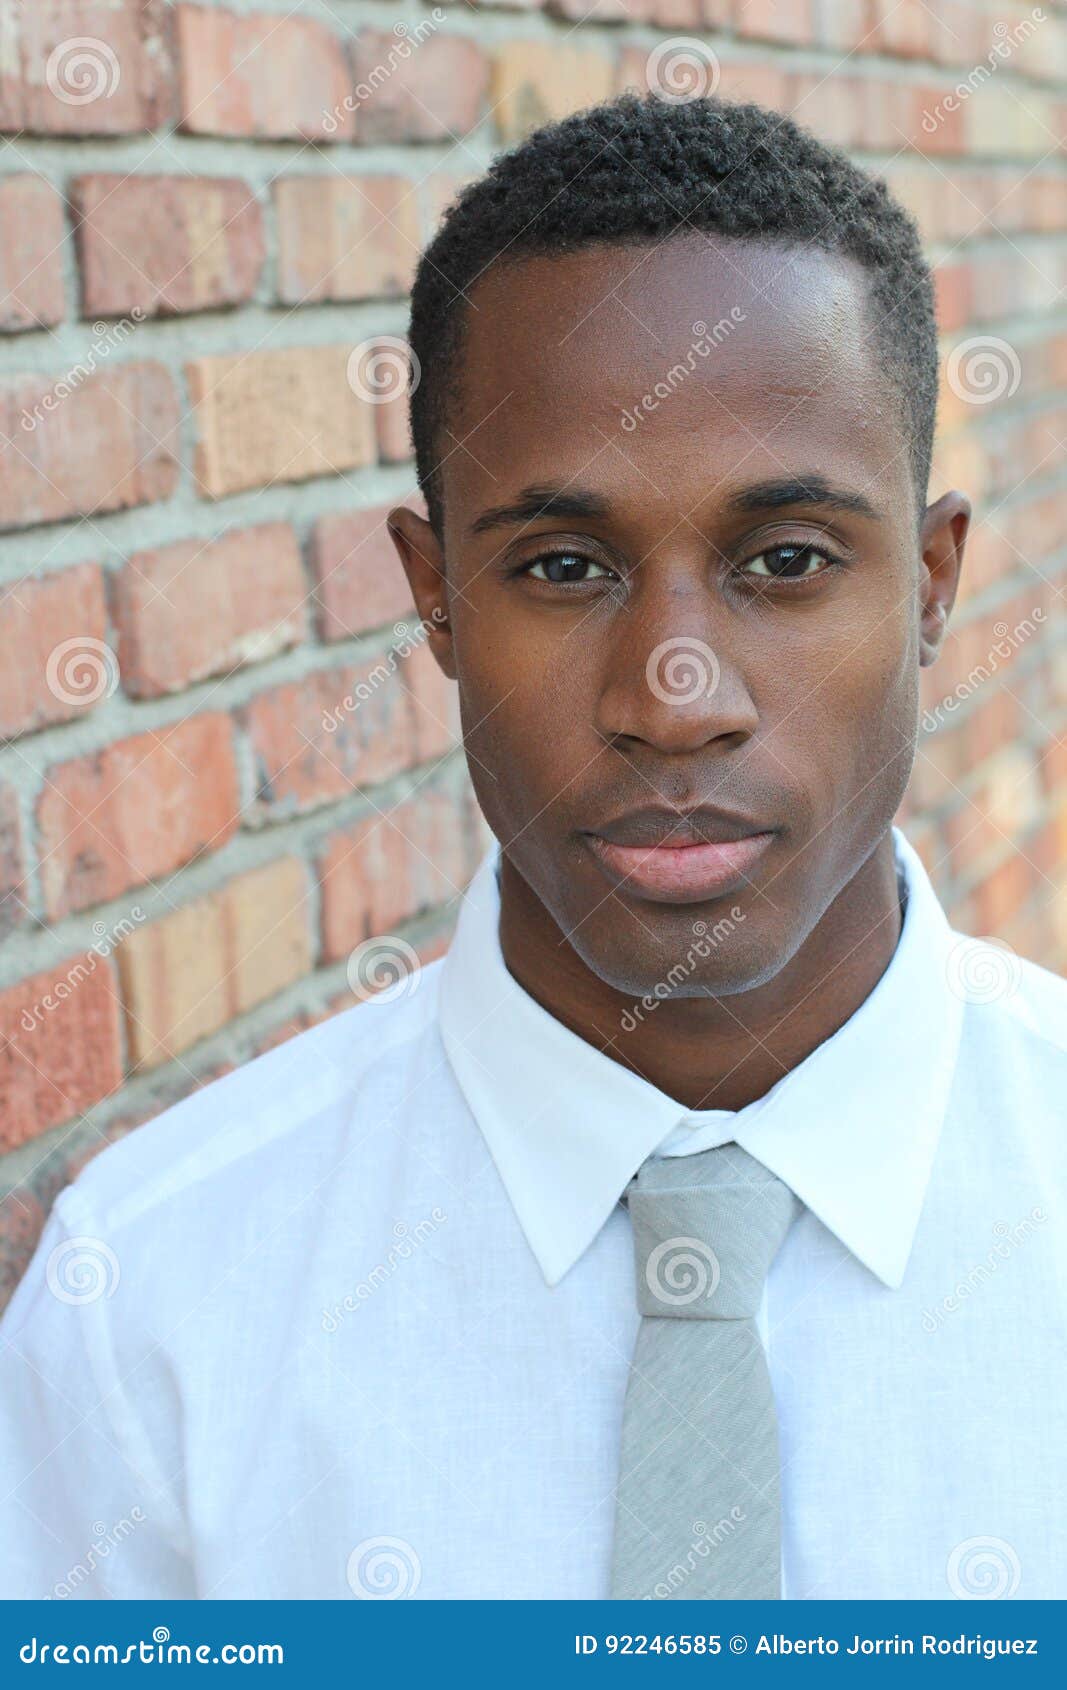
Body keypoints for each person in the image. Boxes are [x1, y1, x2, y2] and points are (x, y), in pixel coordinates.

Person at [1, 92, 1064, 1603]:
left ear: (935, 583)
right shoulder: (151, 1315)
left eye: (787, 561)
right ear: (435, 599)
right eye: (563, 567)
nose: (675, 697)